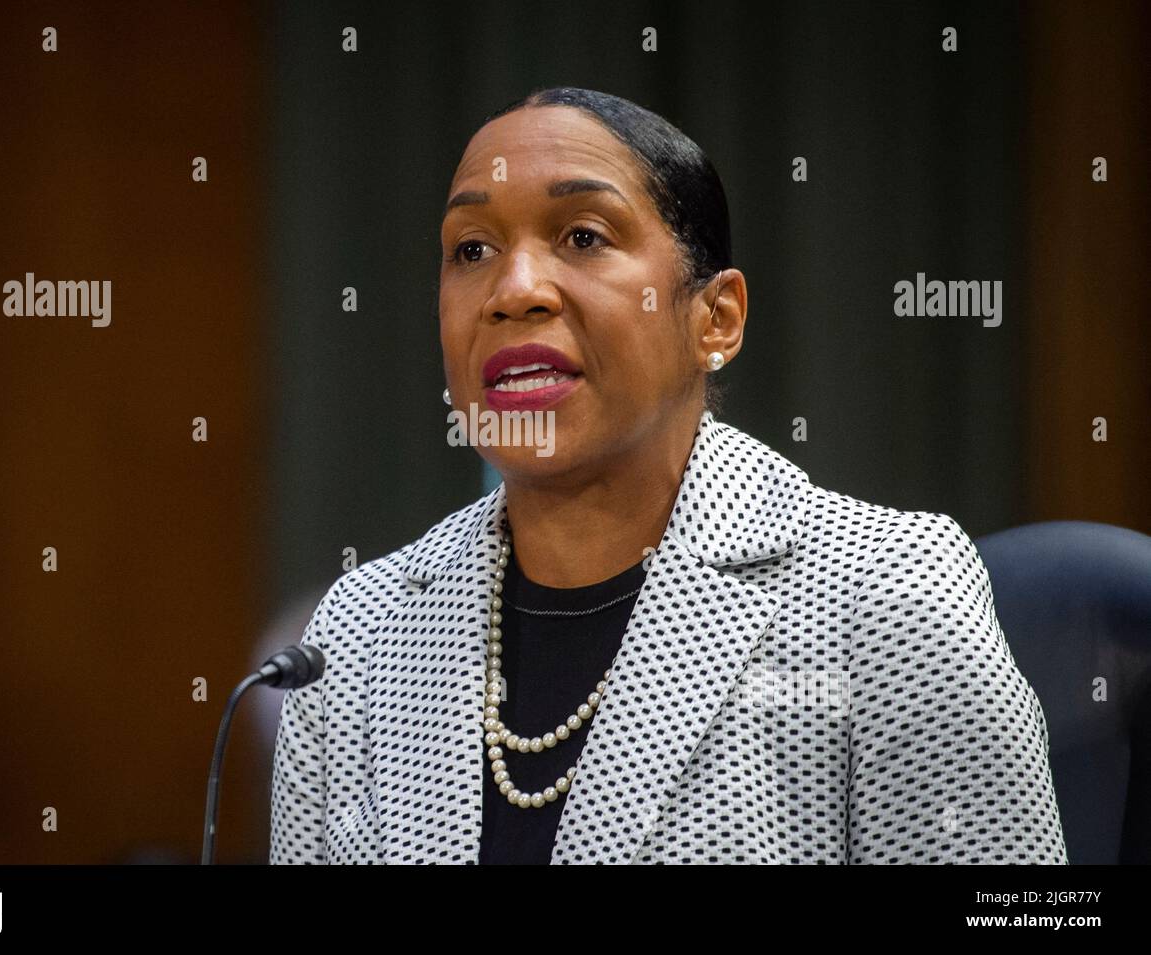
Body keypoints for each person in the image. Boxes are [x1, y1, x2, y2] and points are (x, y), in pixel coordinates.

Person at [269, 87, 1068, 864]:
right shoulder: (357, 634)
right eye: (471, 250)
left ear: (714, 318)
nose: (512, 292)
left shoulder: (882, 592)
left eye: (582, 236)